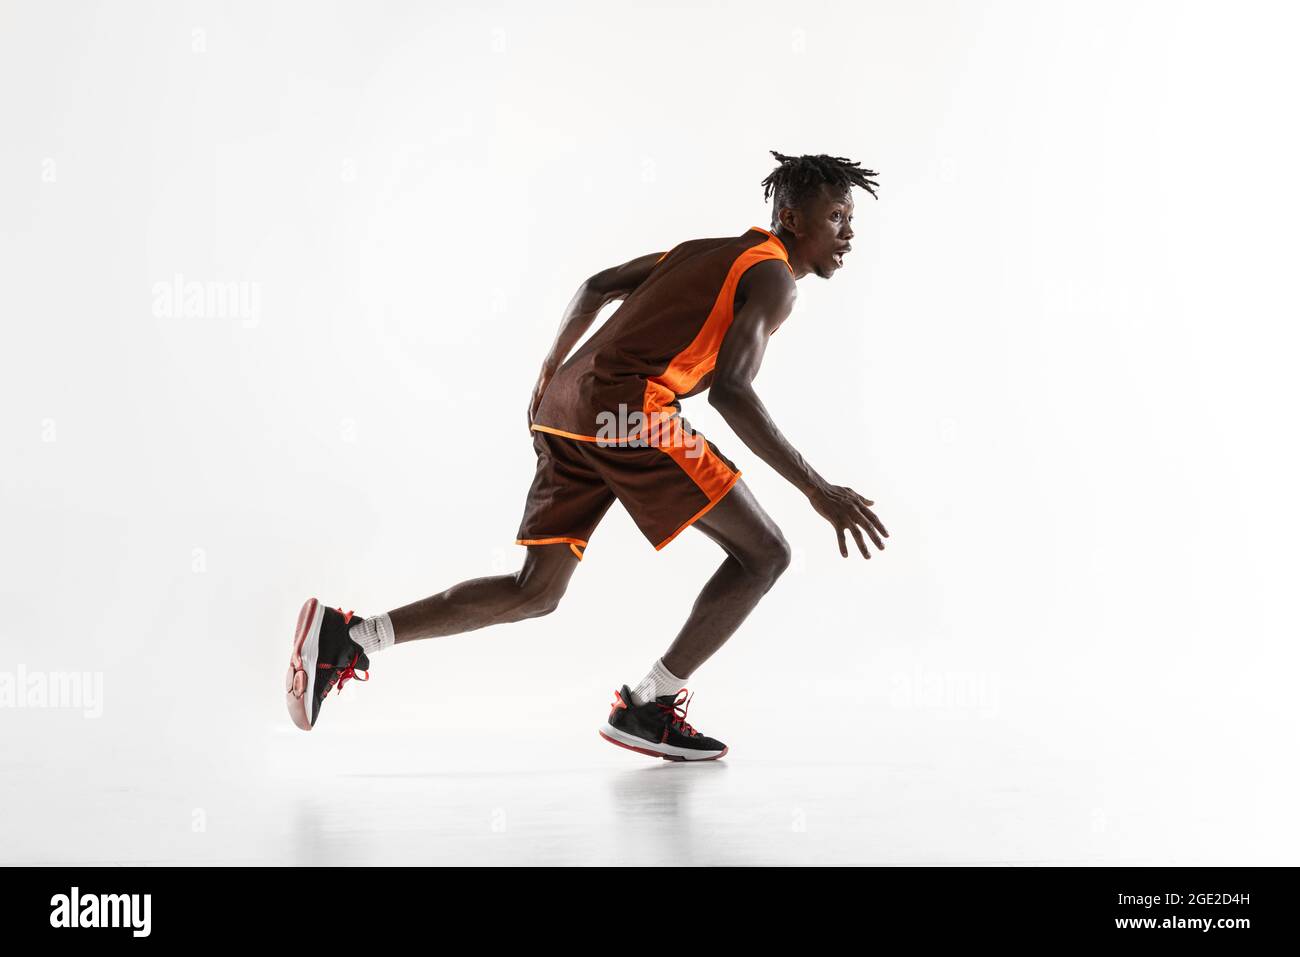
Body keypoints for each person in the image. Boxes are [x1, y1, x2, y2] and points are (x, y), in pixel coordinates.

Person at [285, 151, 889, 761]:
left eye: (850, 219)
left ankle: (351, 637)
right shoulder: (774, 278)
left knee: (535, 591)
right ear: (790, 217)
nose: (849, 232)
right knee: (766, 554)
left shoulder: (703, 251)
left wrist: (552, 370)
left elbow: (596, 286)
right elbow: (732, 391)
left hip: (565, 412)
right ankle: (648, 706)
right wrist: (818, 489)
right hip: (628, 413)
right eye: (837, 216)